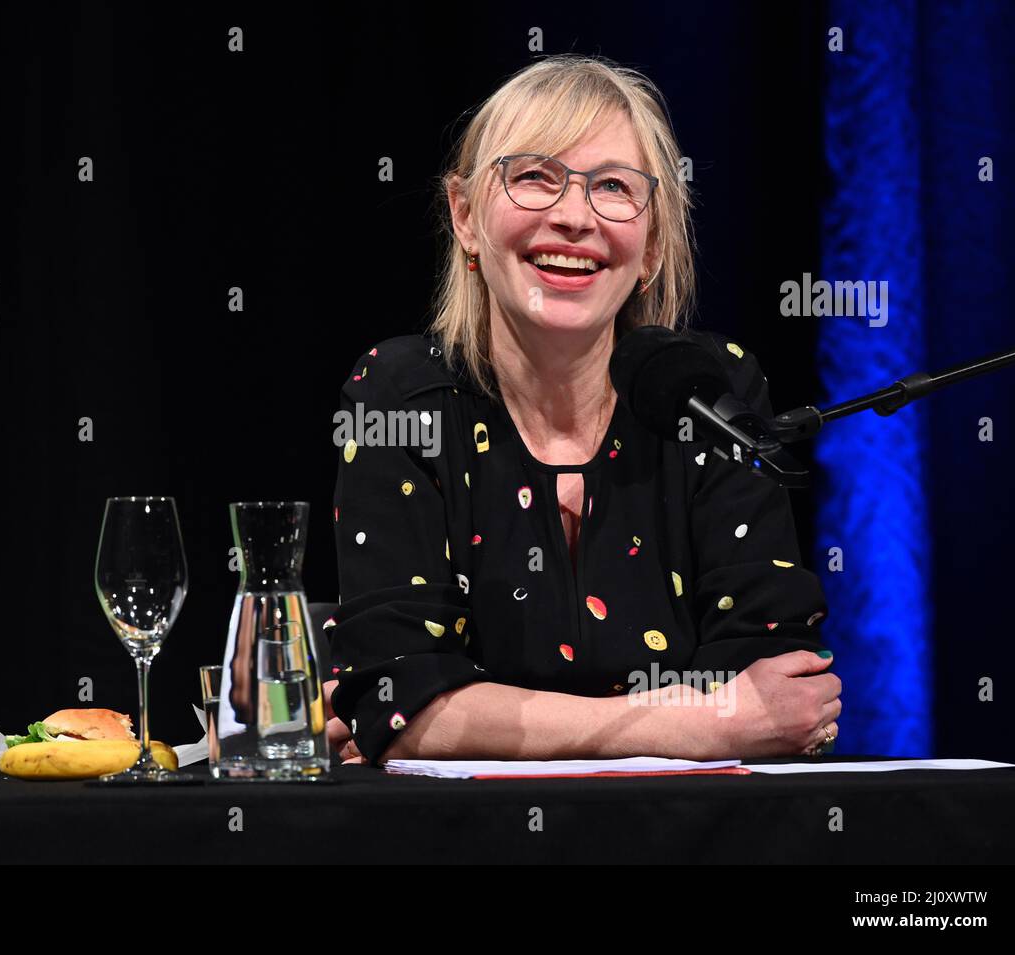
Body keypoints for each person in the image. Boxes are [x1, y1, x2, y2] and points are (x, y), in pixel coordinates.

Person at [323, 55, 840, 766]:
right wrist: (699, 724)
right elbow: (400, 702)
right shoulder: (399, 393)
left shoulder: (711, 390)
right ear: (466, 216)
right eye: (534, 177)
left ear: (652, 244)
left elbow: (780, 692)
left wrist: (465, 714)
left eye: (613, 188)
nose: (572, 216)